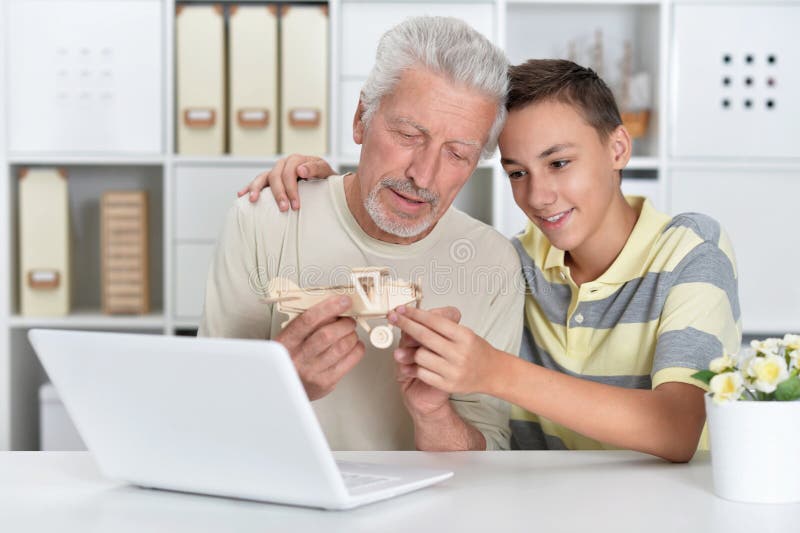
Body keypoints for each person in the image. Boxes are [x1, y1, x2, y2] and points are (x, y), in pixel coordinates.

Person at [241, 60, 741, 462]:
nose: (538, 195)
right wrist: (332, 191)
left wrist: (492, 370)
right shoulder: (513, 263)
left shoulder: (692, 250)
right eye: (517, 172)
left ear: (617, 148)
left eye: (559, 163)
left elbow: (676, 428)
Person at [199, 16, 524, 451]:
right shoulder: (262, 220)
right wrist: (284, 386)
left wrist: (435, 414)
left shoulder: (494, 262)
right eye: (408, 135)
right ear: (360, 119)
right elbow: (204, 416)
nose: (423, 175)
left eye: (457, 154)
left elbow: (491, 454)